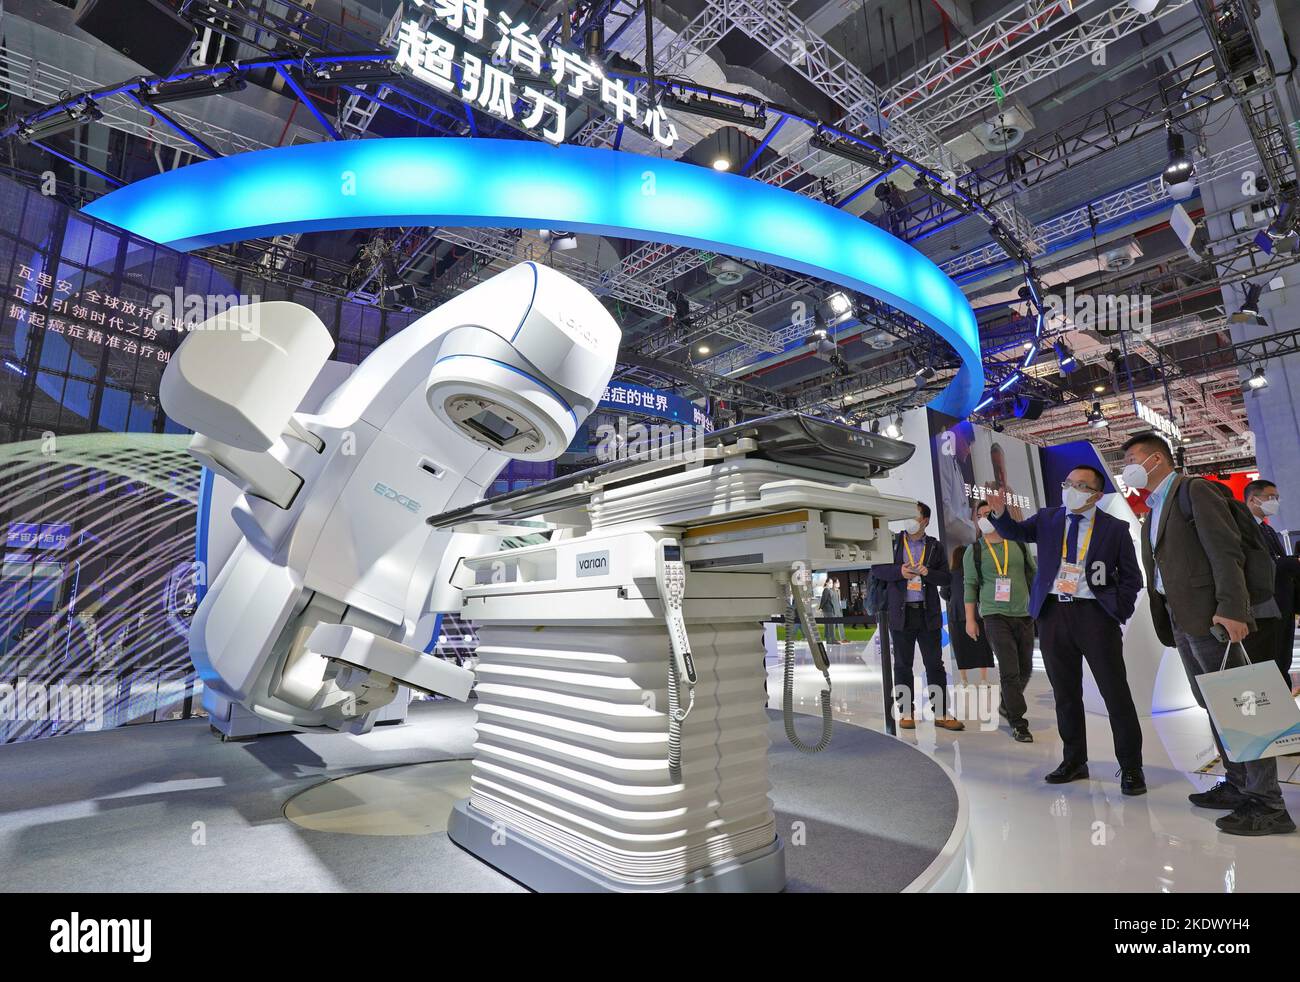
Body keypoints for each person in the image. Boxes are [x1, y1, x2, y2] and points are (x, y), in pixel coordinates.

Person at [1123, 434, 1295, 835]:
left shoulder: (1193, 491)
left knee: (1241, 707)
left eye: (1131, 457)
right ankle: (1238, 785)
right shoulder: (1154, 510)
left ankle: (1268, 804)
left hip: (1214, 619)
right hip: (1183, 618)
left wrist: (1233, 609)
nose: (1127, 465)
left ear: (1156, 459)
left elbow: (1225, 551)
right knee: (1216, 705)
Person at [986, 466, 1146, 794]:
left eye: (1081, 486)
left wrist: (1117, 610)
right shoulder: (1048, 519)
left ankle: (1131, 767)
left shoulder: (1114, 529)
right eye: (1068, 483)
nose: (1072, 489)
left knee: (1115, 694)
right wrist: (1000, 513)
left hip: (1096, 617)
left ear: (1097, 495)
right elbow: (1014, 532)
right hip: (1053, 615)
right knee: (1065, 694)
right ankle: (1074, 760)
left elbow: (1132, 578)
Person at [871, 502, 964, 731]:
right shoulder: (893, 542)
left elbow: (945, 578)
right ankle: (905, 713)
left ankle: (941, 713)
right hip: (900, 614)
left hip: (927, 613)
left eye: (914, 516)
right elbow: (876, 568)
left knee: (935, 664)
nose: (909, 520)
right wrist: (898, 572)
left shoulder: (935, 546)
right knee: (902, 665)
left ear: (925, 521)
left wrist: (928, 573)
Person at [965, 500, 1037, 743]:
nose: (985, 518)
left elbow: (1032, 574)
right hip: (994, 615)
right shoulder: (974, 551)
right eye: (981, 515)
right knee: (1009, 670)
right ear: (976, 520)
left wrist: (1040, 606)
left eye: (990, 513)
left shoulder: (1017, 543)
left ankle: (1007, 705)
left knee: (1025, 668)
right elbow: (970, 586)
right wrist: (970, 620)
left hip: (1023, 613)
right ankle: (1019, 723)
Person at [1242, 479, 1299, 684]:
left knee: (1283, 659)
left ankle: (1285, 703)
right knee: (1270, 660)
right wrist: (1290, 562)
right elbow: (1263, 565)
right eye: (1270, 497)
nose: (1275, 501)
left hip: (1283, 604)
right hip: (1265, 607)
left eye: (1276, 497)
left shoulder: (1267, 529)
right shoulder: (1244, 529)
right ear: (1252, 499)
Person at [944, 544, 994, 687]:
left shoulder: (950, 575)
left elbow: (944, 593)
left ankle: (964, 680)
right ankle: (984, 680)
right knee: (982, 646)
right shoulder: (977, 573)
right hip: (977, 614)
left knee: (960, 648)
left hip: (957, 614)